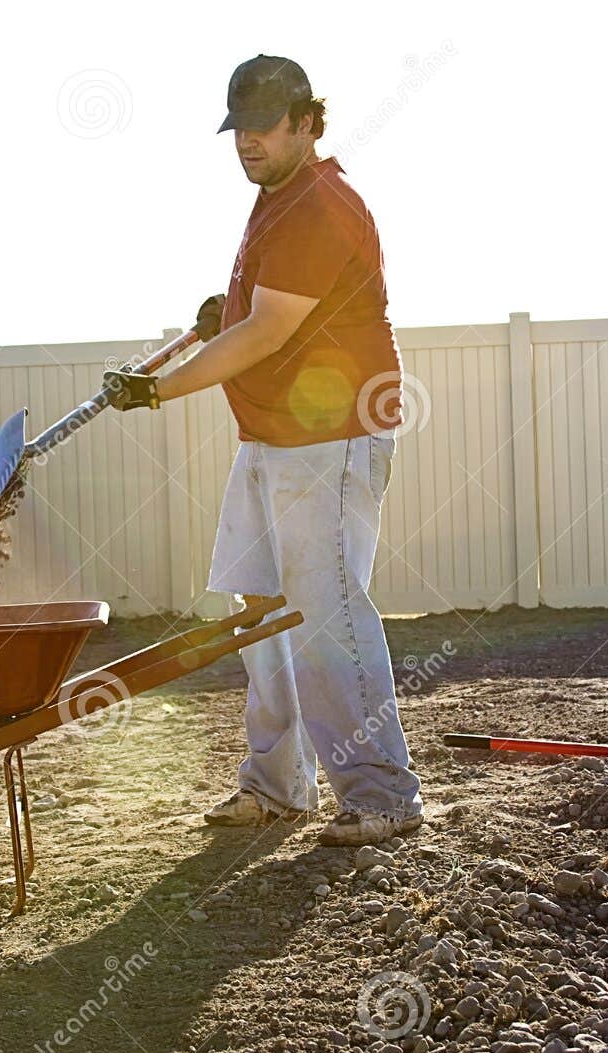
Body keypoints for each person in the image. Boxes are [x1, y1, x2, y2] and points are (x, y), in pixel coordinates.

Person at [109, 55, 422, 847]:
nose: (246, 142)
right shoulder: (276, 201)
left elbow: (271, 331)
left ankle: (383, 793)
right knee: (259, 613)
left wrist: (161, 387)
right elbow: (261, 309)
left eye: (262, 127)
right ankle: (278, 785)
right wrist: (232, 301)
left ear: (307, 123)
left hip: (331, 437)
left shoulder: (320, 203)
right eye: (237, 128)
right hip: (270, 438)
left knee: (328, 614)